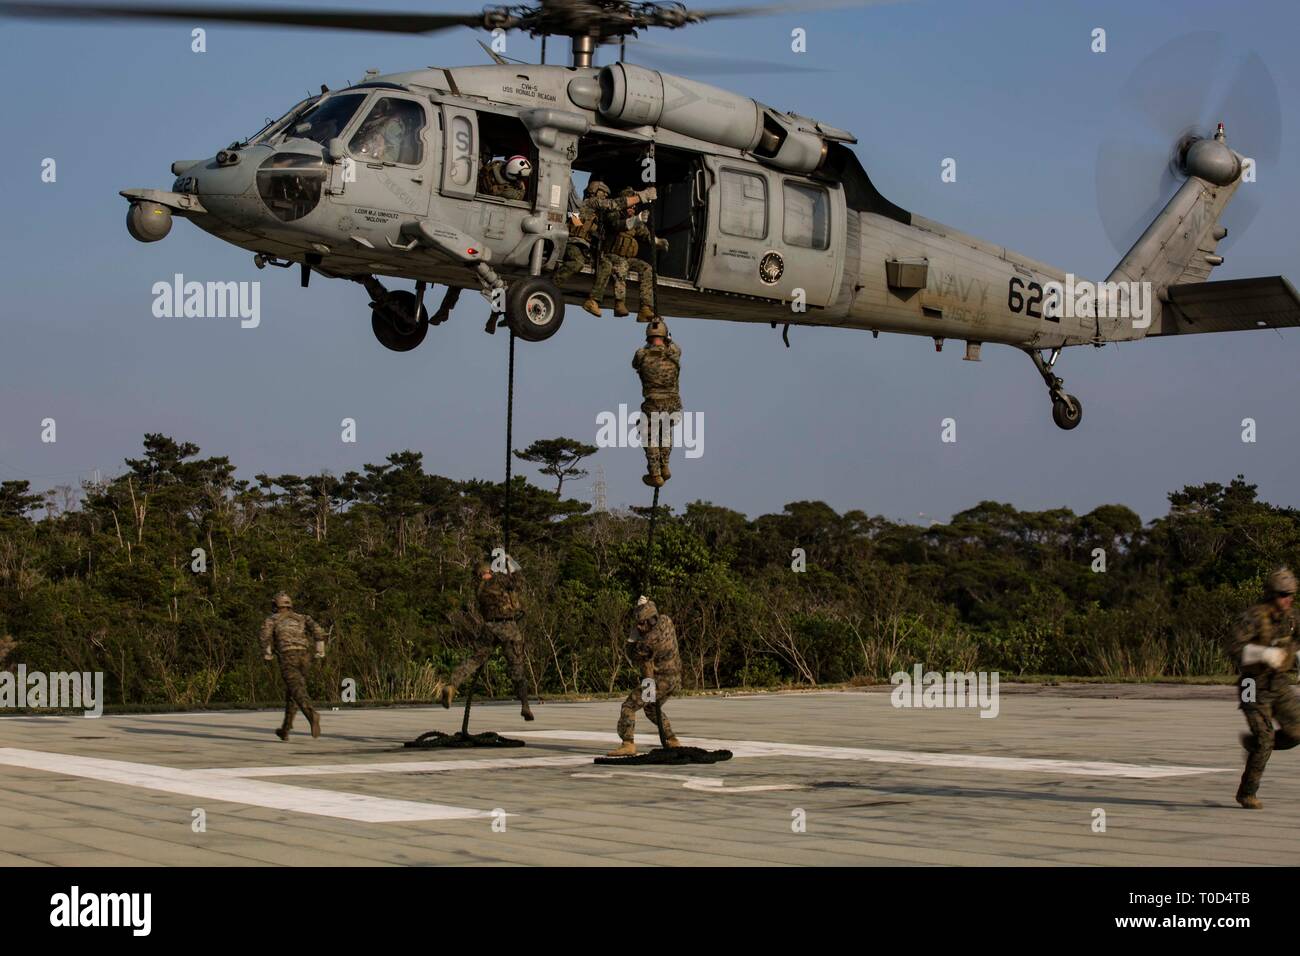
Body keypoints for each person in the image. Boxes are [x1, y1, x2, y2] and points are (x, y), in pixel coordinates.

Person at [1229, 567, 1300, 808]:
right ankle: (1247, 792)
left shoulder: (1291, 617)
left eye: (1291, 594)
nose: (1288, 599)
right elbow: (1235, 649)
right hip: (1252, 684)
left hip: (1277, 682)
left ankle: (1253, 743)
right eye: (1283, 594)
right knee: (1265, 740)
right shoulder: (1253, 617)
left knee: (1296, 732)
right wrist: (1264, 653)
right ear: (1271, 594)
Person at [442, 563, 534, 720]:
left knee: (474, 659)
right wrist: (510, 563)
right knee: (517, 667)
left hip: (489, 627)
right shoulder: (498, 580)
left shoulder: (479, 588)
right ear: (487, 572)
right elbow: (518, 582)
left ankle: (452, 685)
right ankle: (525, 705)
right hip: (508, 627)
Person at [607, 597, 683, 757]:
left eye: (642, 623)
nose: (640, 627)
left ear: (651, 621)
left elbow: (631, 655)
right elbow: (652, 610)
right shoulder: (666, 620)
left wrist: (632, 637)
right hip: (674, 679)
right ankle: (671, 739)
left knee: (629, 706)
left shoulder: (647, 642)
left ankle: (628, 743)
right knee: (650, 708)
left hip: (656, 681)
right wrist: (644, 606)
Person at [589, 187, 667, 321]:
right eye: (631, 206)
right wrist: (636, 220)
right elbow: (617, 225)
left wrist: (658, 242)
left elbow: (647, 236)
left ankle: (645, 308)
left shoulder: (635, 221)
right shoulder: (613, 214)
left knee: (647, 268)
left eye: (635, 207)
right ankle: (619, 303)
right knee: (622, 264)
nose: (633, 209)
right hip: (610, 255)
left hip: (627, 258)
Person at [259, 592, 327, 740]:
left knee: (297, 690)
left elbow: (265, 636)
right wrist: (320, 649)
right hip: (304, 657)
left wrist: (267, 652)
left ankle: (312, 715)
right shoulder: (302, 617)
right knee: (294, 692)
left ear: (276, 605)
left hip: (287, 657)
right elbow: (318, 631)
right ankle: (285, 729)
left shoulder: (273, 619)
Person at [632, 319, 682, 487]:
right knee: (665, 432)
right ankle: (665, 466)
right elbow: (674, 347)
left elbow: (635, 364)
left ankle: (655, 474)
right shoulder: (673, 352)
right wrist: (668, 339)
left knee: (649, 435)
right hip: (673, 404)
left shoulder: (642, 354)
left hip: (653, 403)